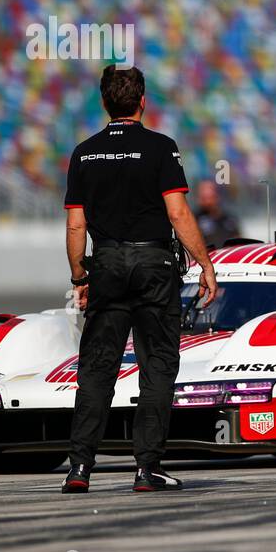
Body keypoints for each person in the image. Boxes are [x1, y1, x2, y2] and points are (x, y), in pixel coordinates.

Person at [62, 66, 217, 494]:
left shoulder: (84, 153)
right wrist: (204, 263)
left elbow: (77, 226)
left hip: (107, 263)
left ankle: (80, 467)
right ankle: (147, 470)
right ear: (143, 101)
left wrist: (80, 273)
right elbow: (179, 213)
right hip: (154, 264)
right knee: (157, 367)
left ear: (104, 103)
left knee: (96, 368)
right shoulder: (161, 148)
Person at [195, 179, 241, 249]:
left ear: (217, 196)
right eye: (204, 198)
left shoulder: (229, 219)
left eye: (210, 197)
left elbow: (239, 242)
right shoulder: (194, 220)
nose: (208, 202)